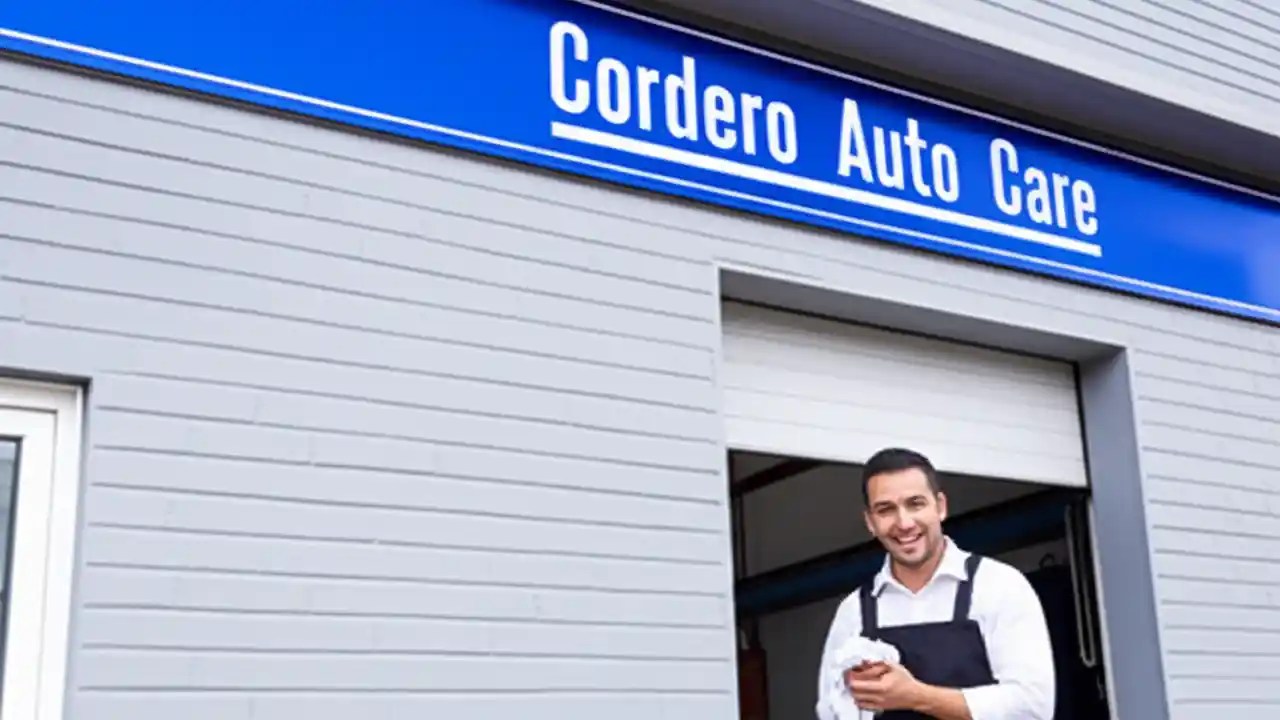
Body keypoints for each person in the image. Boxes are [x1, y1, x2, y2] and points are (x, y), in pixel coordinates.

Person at [814, 448, 1055, 720]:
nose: (904, 523)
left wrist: (916, 696)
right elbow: (830, 712)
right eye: (886, 510)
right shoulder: (853, 613)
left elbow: (1032, 706)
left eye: (915, 504)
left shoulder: (999, 586)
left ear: (940, 506)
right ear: (870, 522)